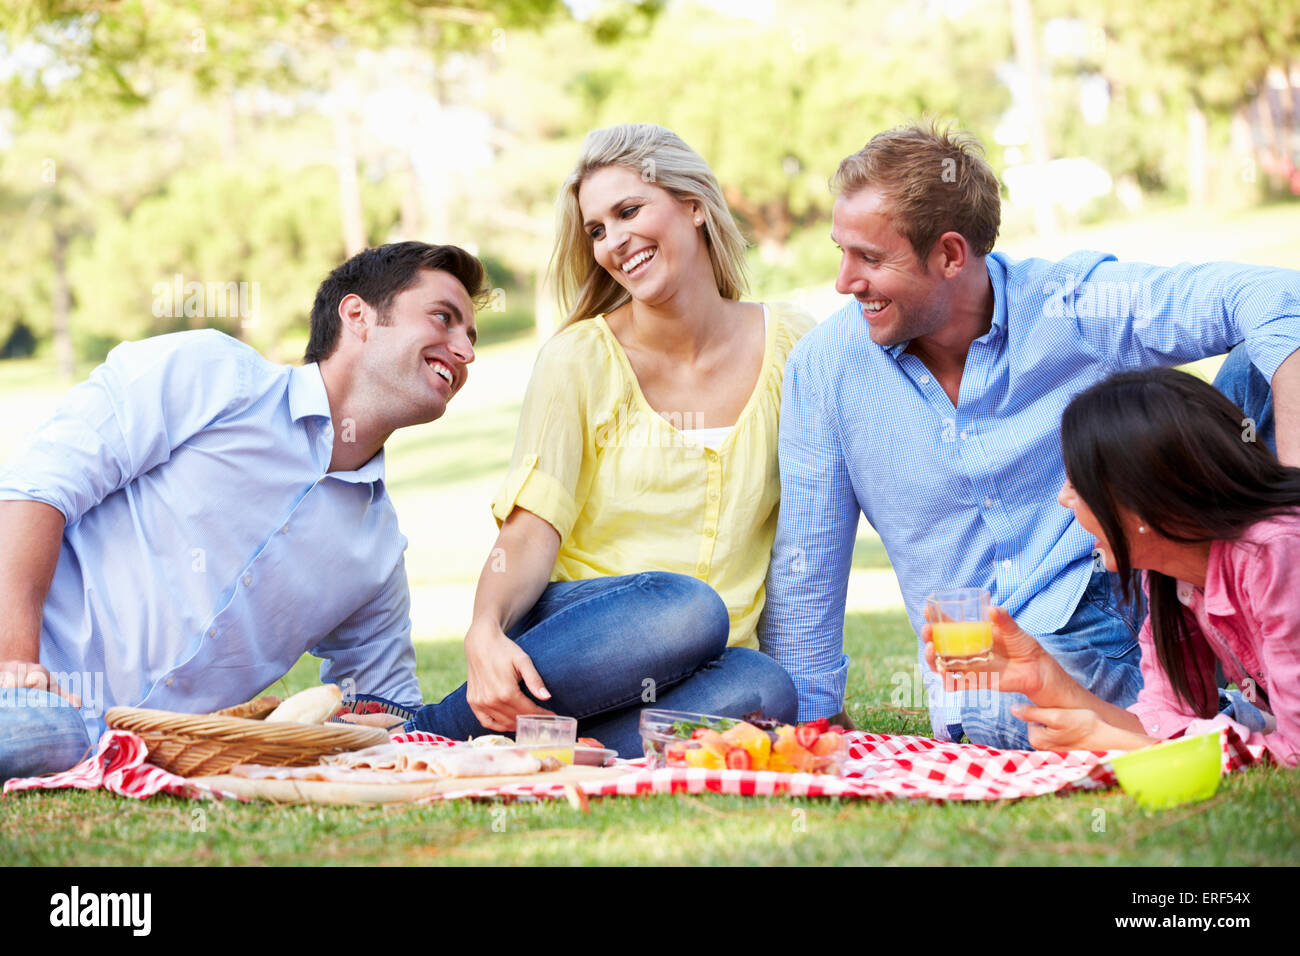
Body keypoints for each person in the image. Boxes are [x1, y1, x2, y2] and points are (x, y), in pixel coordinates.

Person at [762, 119, 1300, 749]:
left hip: (1149, 591)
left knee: (1262, 367)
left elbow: (1277, 296)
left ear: (950, 255)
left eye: (871, 259)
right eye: (842, 252)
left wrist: (1289, 492)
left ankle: (1268, 626)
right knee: (1009, 697)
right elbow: (808, 561)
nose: (844, 281)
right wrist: (810, 720)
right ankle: (1232, 713)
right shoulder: (826, 369)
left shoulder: (1075, 303)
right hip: (1012, 663)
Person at [393, 124, 813, 757]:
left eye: (628, 211)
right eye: (596, 229)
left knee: (765, 691)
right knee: (687, 608)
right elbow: (530, 529)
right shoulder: (579, 360)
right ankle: (437, 726)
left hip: (707, 665)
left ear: (694, 205)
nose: (614, 241)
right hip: (587, 633)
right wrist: (484, 628)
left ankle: (540, 746)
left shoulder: (794, 349)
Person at [0, 241, 487, 780]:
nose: (464, 351)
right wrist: (14, 664)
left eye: (470, 337)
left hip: (128, 758)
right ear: (358, 317)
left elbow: (385, 705)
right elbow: (37, 487)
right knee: (35, 732)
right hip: (25, 680)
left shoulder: (376, 550)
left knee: (46, 738)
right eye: (444, 319)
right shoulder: (211, 375)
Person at [923, 368, 1299, 767]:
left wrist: (1122, 747)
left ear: (1142, 500)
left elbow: (1292, 754)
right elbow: (1163, 723)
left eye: (1077, 482)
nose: (1064, 499)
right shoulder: (1173, 578)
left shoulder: (1278, 556)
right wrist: (1044, 678)